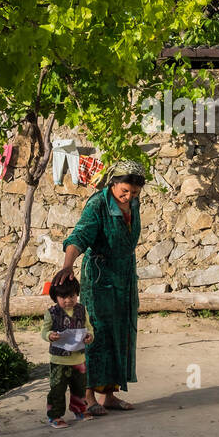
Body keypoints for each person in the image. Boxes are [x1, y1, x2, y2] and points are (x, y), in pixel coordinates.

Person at [53, 161, 145, 416]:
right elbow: (80, 235)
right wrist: (68, 265)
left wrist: (132, 200)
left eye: (134, 193)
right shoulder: (98, 204)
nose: (129, 196)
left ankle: (110, 396)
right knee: (96, 333)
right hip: (100, 278)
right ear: (113, 182)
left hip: (124, 277)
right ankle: (88, 397)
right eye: (125, 190)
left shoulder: (134, 205)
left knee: (120, 331)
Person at [41, 276, 95, 428]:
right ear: (55, 297)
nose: (68, 300)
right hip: (59, 360)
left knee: (79, 387)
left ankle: (80, 410)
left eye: (71, 296)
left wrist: (90, 336)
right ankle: (55, 416)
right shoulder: (51, 313)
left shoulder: (81, 310)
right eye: (63, 297)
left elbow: (89, 327)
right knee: (58, 388)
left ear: (77, 294)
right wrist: (50, 336)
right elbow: (44, 331)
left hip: (79, 359)